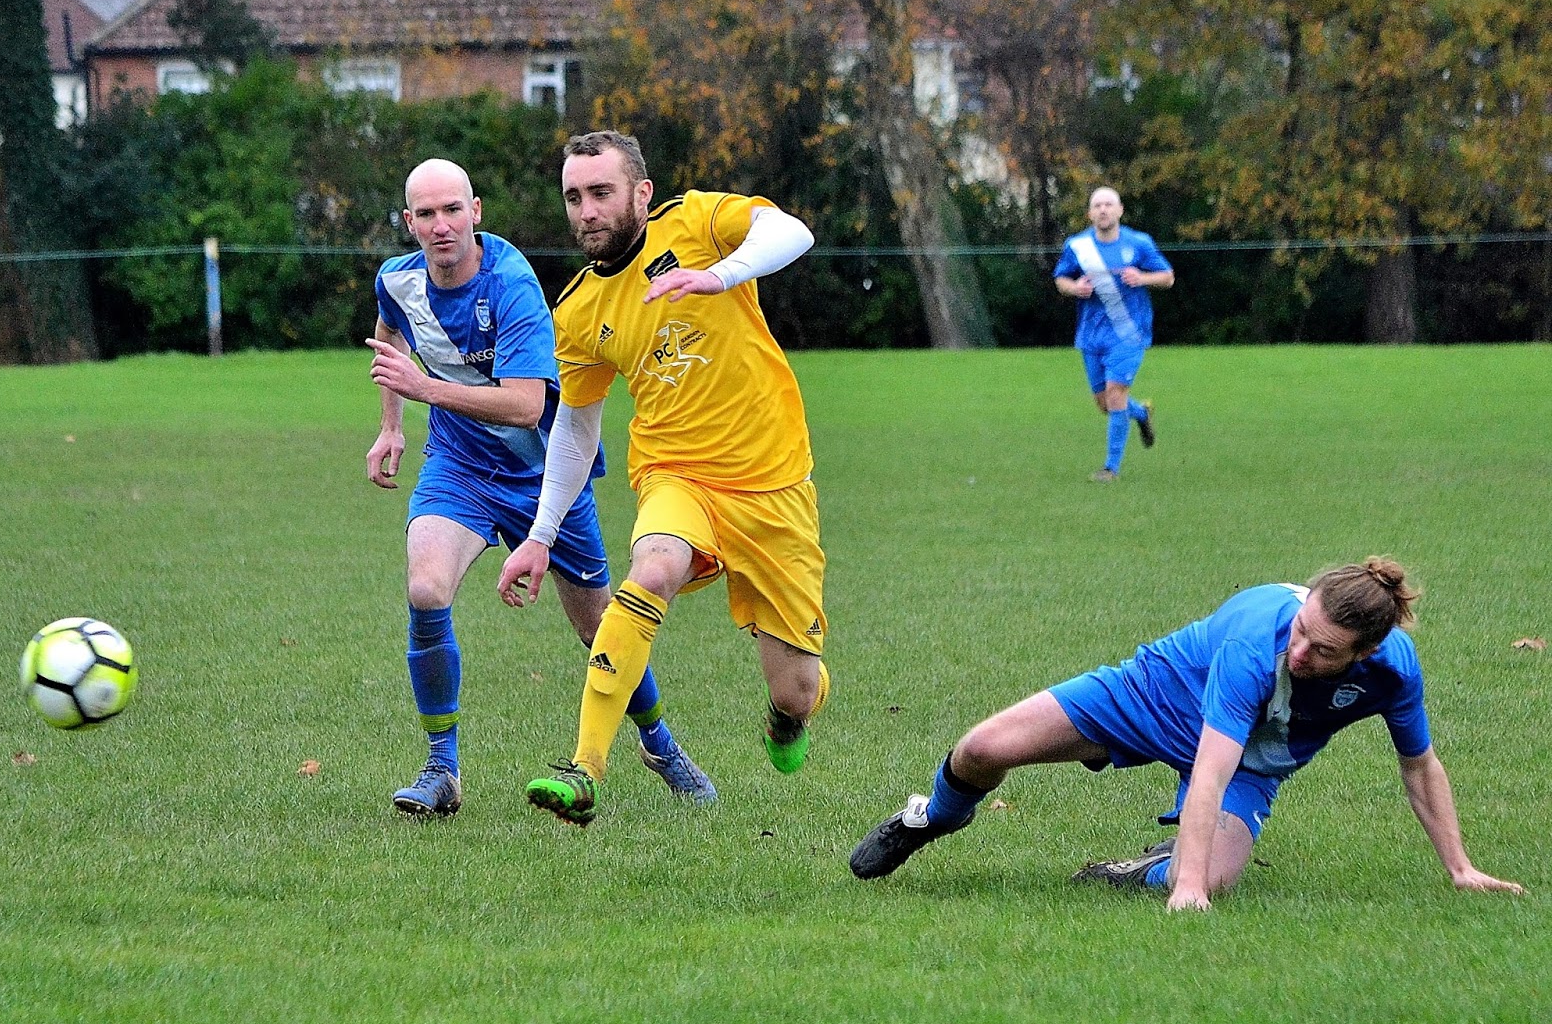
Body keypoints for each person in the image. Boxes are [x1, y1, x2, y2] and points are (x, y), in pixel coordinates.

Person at [849, 557, 1523, 910]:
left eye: (1323, 651)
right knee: (981, 748)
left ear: (1366, 651)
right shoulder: (1258, 641)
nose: (1300, 654)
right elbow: (1207, 768)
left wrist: (1460, 867)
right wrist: (1187, 891)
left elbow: (1420, 767)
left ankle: (1142, 867)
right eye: (1301, 631)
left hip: (1253, 759)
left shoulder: (1393, 671)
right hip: (1152, 695)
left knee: (1218, 878)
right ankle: (927, 817)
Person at [497, 130, 828, 827]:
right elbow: (575, 429)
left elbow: (791, 230)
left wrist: (720, 274)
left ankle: (787, 719)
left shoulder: (697, 222)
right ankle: (584, 768)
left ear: (641, 193)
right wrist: (540, 535)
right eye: (573, 197)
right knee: (652, 568)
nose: (585, 210)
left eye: (601, 193)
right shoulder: (580, 309)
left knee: (797, 689)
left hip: (773, 484)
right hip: (676, 473)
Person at [366, 157, 715, 818]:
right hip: (460, 469)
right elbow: (389, 333)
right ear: (409, 222)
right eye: (426, 214)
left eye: (452, 210)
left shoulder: (511, 284)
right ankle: (442, 769)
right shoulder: (398, 279)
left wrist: (424, 390)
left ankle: (660, 744)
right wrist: (393, 427)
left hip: (546, 477)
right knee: (424, 588)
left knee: (602, 628)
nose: (441, 226)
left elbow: (527, 406)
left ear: (476, 212)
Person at [1052, 187, 1174, 482]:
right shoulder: (1078, 246)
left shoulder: (1138, 243)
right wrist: (1075, 288)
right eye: (1097, 205)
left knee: (1115, 394)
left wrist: (1142, 277)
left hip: (1129, 333)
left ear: (1120, 210)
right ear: (1090, 213)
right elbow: (1060, 279)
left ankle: (1111, 469)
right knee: (1105, 404)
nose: (1103, 210)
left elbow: (1168, 277)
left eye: (1109, 204)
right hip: (1092, 335)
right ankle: (1141, 414)